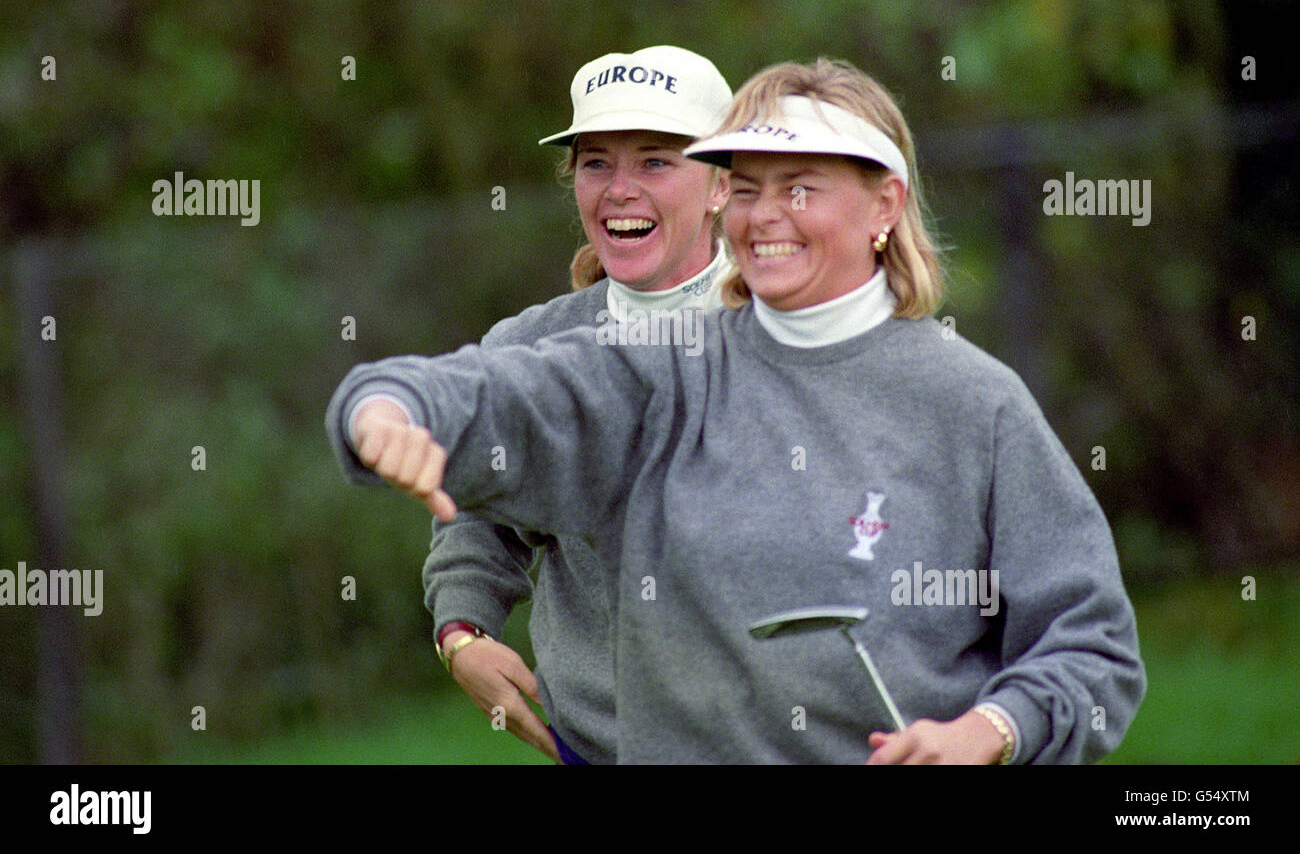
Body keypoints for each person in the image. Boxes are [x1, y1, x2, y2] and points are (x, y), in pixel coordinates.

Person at [327, 58, 1146, 763]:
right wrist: (385, 409)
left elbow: (1091, 646)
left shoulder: (977, 402)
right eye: (749, 187)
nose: (764, 216)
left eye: (800, 187)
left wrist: (991, 729)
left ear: (885, 205)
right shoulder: (664, 375)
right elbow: (504, 398)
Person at [418, 46, 732, 764]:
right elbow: (475, 513)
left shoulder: (799, 333)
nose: (620, 189)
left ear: (721, 185)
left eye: (655, 162)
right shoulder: (531, 346)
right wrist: (461, 633)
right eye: (596, 163)